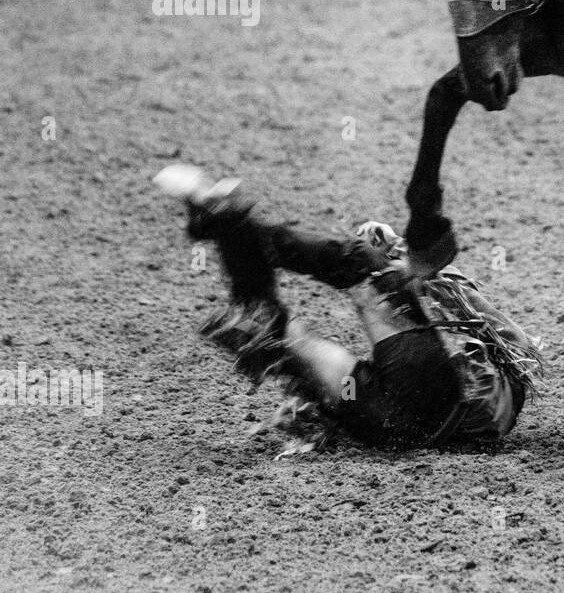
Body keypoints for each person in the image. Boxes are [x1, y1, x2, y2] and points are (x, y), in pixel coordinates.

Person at [154, 165, 543, 453]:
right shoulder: (501, 373)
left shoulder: (501, 375)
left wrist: (400, 254)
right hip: (398, 420)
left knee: (302, 314)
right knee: (286, 329)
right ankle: (231, 225)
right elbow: (487, 321)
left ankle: (230, 225)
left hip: (410, 404)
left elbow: (482, 315)